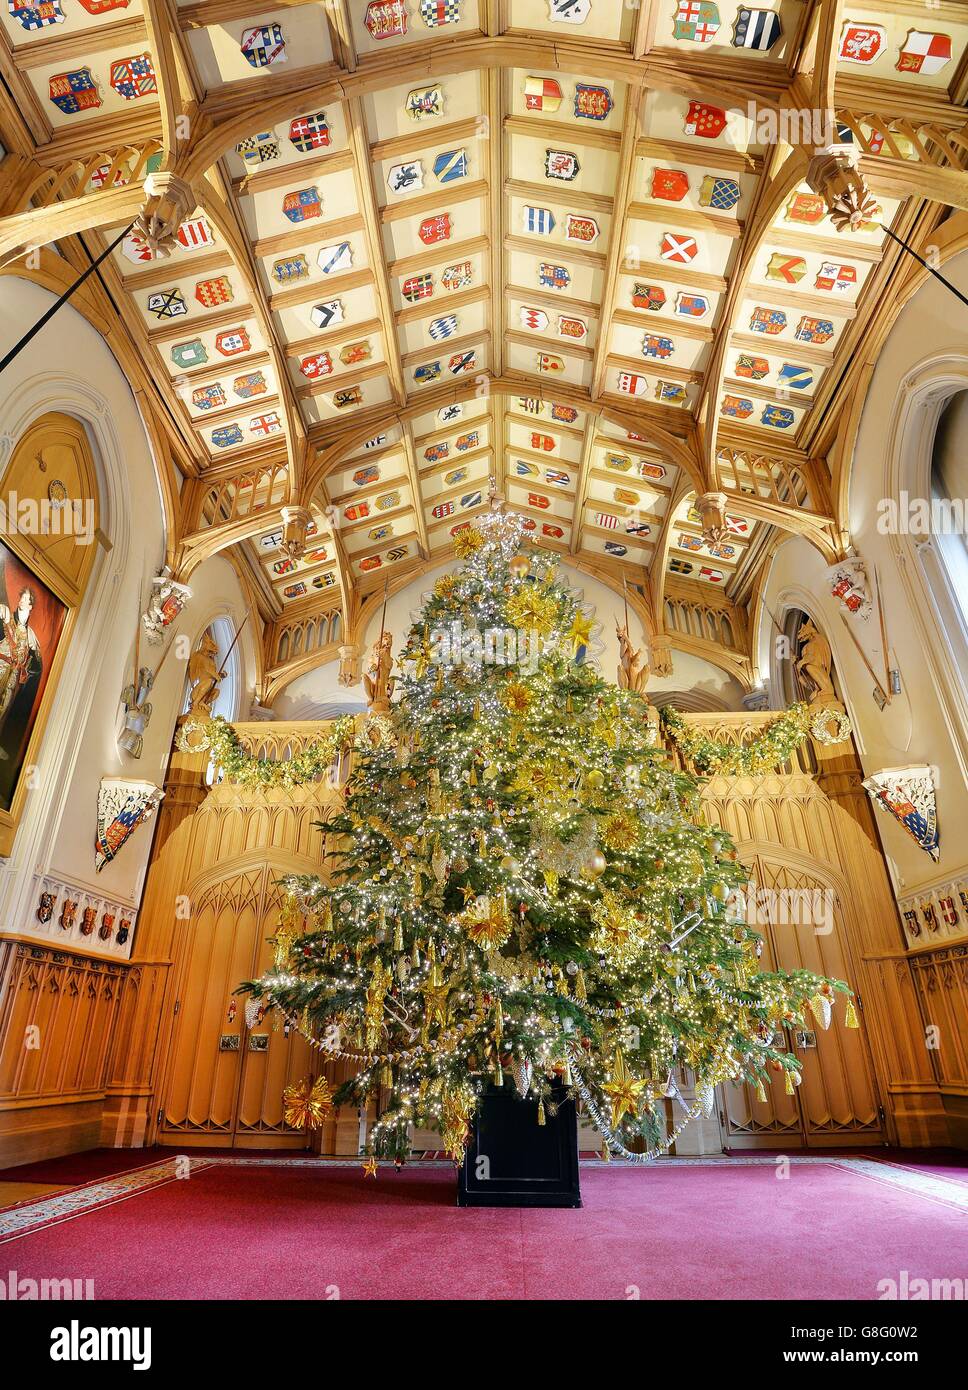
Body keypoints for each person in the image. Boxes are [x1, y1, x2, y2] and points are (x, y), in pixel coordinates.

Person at [0, 586, 42, 760]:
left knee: (3, 707)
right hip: (1, 665)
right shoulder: (7, 615)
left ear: (31, 606)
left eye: (27, 600)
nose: (23, 601)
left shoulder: (31, 634)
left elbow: (35, 664)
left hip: (13, 676)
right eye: (22, 598)